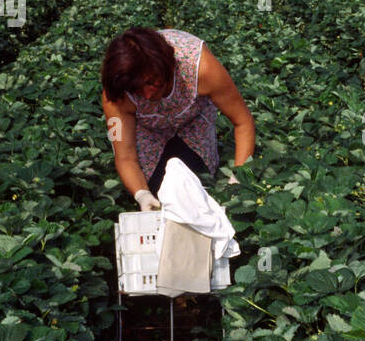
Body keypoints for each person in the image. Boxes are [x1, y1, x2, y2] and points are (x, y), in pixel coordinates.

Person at [100, 27, 255, 209]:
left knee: (200, 188)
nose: (148, 95)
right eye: (137, 90)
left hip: (194, 121)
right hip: (148, 130)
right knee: (158, 191)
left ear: (168, 66)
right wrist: (142, 194)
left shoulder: (201, 68)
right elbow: (124, 157)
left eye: (152, 83)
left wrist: (238, 177)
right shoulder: (116, 95)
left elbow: (243, 122)